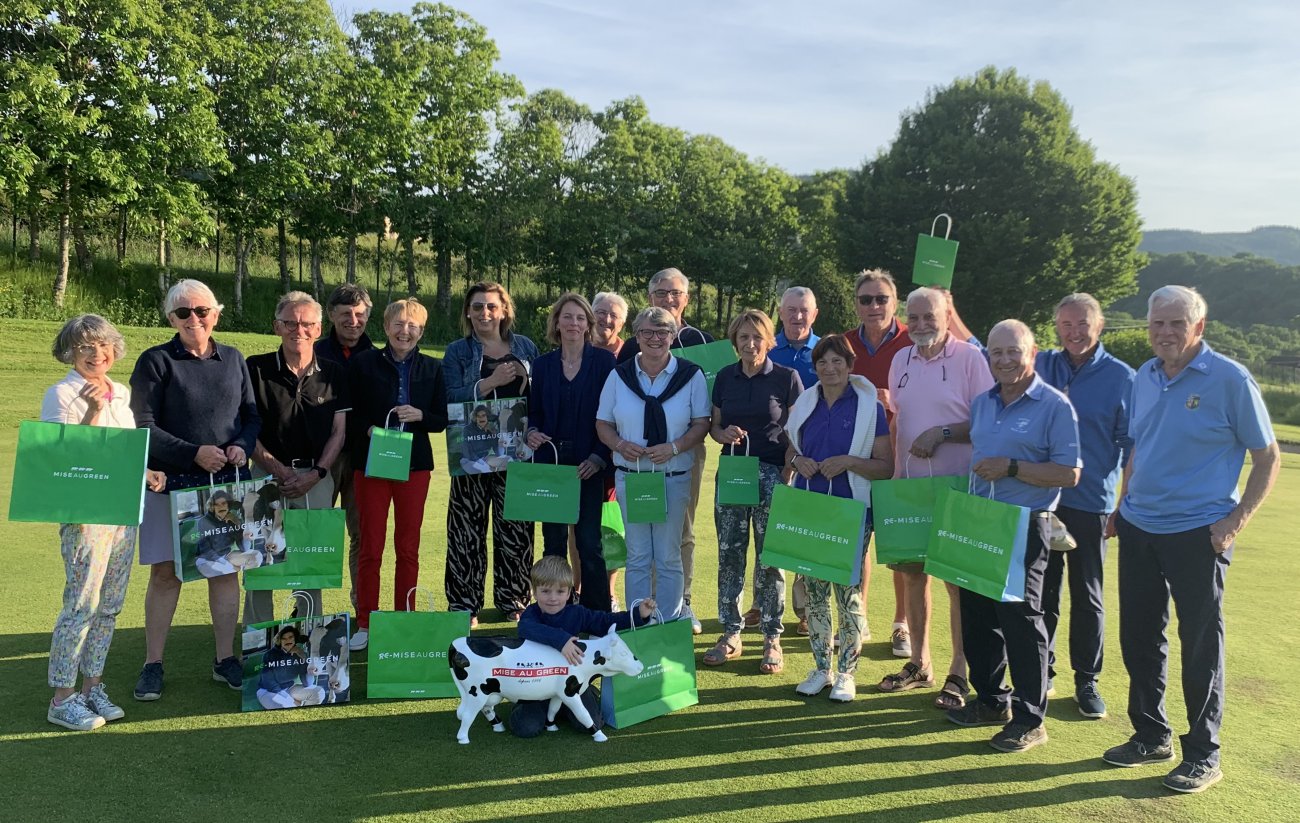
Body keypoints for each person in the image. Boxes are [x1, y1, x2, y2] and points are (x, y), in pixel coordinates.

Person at [1103, 286, 1279, 793]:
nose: (1165, 332)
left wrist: (1235, 521)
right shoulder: (1145, 374)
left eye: (1176, 323)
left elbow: (1268, 458)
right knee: (1139, 636)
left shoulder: (1230, 379)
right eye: (1157, 323)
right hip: (1139, 525)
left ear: (1198, 326)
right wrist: (1122, 506)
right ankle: (1149, 735)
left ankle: (1203, 753)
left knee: (1199, 643)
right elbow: (1141, 446)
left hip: (1198, 533)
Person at [949, 320, 1080, 754]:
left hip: (1025, 525)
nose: (1004, 360)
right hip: (981, 520)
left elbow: (1069, 473)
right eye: (996, 352)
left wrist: (1011, 467)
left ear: (1033, 353)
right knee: (977, 616)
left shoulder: (1055, 405)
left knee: (1021, 623)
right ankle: (990, 701)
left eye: (1013, 351)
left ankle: (1029, 718)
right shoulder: (984, 401)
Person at [130, 279, 261, 701]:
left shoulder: (234, 359)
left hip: (224, 487)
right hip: (170, 484)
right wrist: (193, 454)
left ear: (216, 314)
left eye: (201, 311)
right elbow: (144, 425)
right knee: (166, 574)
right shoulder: (156, 361)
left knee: (224, 573)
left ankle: (225, 659)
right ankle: (153, 664)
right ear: (171, 318)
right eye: (183, 313)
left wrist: (241, 446)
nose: (194, 319)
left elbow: (251, 416)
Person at [42, 315, 166, 730]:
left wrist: (144, 472)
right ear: (69, 353)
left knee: (110, 606)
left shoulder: (122, 391)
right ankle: (62, 697)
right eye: (85, 348)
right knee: (82, 604)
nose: (97, 354)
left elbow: (121, 452)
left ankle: (92, 686)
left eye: (103, 346)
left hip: (122, 509)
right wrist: (92, 410)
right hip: (85, 513)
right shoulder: (60, 394)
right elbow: (69, 459)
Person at [877, 288, 993, 713]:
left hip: (958, 489)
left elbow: (986, 419)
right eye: (915, 317)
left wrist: (943, 434)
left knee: (957, 583)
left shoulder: (969, 359)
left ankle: (959, 671)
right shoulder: (901, 360)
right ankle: (918, 663)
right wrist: (894, 477)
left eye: (930, 316)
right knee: (913, 576)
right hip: (910, 490)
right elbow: (899, 422)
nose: (922, 324)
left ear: (947, 316)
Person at [1034, 293, 1134, 719]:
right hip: (1042, 499)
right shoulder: (1043, 365)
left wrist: (1122, 505)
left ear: (1100, 324)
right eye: (1066, 324)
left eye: (1083, 324)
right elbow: (988, 354)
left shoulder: (1123, 377)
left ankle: (1086, 680)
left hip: (1092, 502)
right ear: (1057, 326)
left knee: (1088, 594)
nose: (1075, 332)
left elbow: (1132, 447)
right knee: (1043, 591)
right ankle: (1044, 670)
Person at [786, 334, 893, 702]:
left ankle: (847, 672)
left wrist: (848, 462)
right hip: (810, 509)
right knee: (814, 592)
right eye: (822, 363)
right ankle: (821, 668)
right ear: (814, 368)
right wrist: (798, 461)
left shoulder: (869, 406)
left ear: (850, 366)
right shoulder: (805, 403)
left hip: (851, 511)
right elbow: (791, 451)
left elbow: (885, 466)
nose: (830, 369)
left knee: (847, 593)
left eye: (837, 362)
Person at [596, 307, 710, 624]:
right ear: (637, 335)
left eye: (662, 332)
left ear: (673, 336)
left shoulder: (691, 375)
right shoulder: (619, 376)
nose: (654, 338)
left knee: (668, 556)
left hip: (672, 478)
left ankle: (669, 623)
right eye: (647, 332)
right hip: (632, 479)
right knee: (638, 557)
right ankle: (639, 623)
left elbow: (701, 424)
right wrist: (619, 444)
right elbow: (602, 423)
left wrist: (673, 447)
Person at [347, 297, 449, 651]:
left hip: (414, 466)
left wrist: (421, 416)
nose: (405, 332)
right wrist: (370, 430)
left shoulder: (433, 369)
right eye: (399, 325)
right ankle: (367, 621)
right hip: (373, 464)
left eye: (413, 326)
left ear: (421, 331)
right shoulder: (363, 364)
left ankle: (404, 617)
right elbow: (350, 415)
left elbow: (442, 419)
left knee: (408, 547)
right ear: (386, 327)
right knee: (370, 546)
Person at [705, 309, 802, 674]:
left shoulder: (786, 378)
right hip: (733, 473)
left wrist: (790, 467)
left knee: (770, 558)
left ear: (769, 340)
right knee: (730, 554)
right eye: (743, 338)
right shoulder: (725, 378)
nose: (750, 344)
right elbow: (713, 427)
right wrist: (722, 433)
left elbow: (798, 430)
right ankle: (731, 632)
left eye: (756, 337)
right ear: (735, 341)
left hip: (772, 474)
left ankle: (771, 637)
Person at [244, 291, 350, 624]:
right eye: (290, 322)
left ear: (319, 329)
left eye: (306, 323)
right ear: (277, 326)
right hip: (264, 478)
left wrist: (316, 474)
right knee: (259, 561)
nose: (298, 329)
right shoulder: (255, 368)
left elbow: (339, 433)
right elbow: (248, 430)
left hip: (316, 480)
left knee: (310, 564)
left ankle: (308, 636)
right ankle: (257, 640)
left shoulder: (334, 373)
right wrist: (276, 469)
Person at [442, 282, 540, 625]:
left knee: (516, 528)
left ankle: (513, 597)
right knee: (465, 529)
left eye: (491, 306)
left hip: (515, 455)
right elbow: (449, 400)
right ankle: (464, 604)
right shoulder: (457, 351)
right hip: (471, 453)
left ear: (504, 310)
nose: (485, 313)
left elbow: (537, 398)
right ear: (468, 312)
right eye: (478, 306)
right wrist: (491, 381)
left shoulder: (526, 347)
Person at [526, 293, 617, 611]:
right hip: (552, 468)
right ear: (557, 322)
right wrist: (532, 431)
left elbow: (612, 415)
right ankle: (555, 611)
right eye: (567, 317)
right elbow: (534, 412)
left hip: (589, 466)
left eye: (580, 318)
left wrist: (598, 457)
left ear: (588, 324)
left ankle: (596, 613)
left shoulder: (605, 363)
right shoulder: (543, 364)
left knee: (589, 542)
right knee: (552, 544)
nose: (573, 323)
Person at [508, 556, 657, 737]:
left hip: (574, 682)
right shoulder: (530, 616)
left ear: (570, 591)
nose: (553, 598)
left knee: (593, 723)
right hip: (539, 685)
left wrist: (638, 614)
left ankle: (581, 697)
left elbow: (606, 621)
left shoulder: (576, 613)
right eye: (545, 591)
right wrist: (561, 641)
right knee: (527, 728)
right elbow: (526, 628)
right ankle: (522, 703)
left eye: (560, 591)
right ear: (534, 591)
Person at [842, 269, 911, 655]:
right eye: (865, 299)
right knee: (857, 543)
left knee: (900, 545)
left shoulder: (910, 342)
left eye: (881, 299)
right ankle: (859, 617)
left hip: (903, 460)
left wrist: (893, 401)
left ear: (894, 302)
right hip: (859, 459)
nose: (873, 306)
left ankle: (901, 624)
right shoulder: (845, 344)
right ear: (856, 303)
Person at [314, 284, 374, 608]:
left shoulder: (379, 356)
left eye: (360, 314)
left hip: (365, 459)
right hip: (323, 457)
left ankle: (361, 606)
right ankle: (309, 607)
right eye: (346, 314)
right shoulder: (316, 352)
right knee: (317, 535)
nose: (354, 320)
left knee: (362, 537)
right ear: (332, 315)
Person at [765, 286, 820, 632]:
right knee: (772, 528)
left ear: (814, 314)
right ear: (780, 313)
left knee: (808, 530)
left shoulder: (824, 351)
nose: (797, 316)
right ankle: (766, 601)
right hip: (772, 453)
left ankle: (806, 607)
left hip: (814, 454)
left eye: (803, 310)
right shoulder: (769, 348)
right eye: (790, 309)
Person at [591, 291, 629, 605]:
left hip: (617, 451)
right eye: (600, 312)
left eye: (613, 314)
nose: (605, 319)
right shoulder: (574, 348)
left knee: (611, 525)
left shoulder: (629, 353)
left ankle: (609, 591)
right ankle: (577, 588)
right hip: (579, 449)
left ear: (623, 322)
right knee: (578, 526)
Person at [256, 625, 324, 709]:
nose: (287, 640)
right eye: (284, 639)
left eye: (290, 637)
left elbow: (308, 683)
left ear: (295, 639)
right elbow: (269, 682)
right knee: (284, 706)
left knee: (319, 692)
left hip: (290, 688)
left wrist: (304, 658)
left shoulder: (298, 654)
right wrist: (289, 699)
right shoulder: (269, 655)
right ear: (280, 641)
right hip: (268, 691)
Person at [592, 291, 628, 358]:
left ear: (621, 325)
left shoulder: (628, 354)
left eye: (613, 315)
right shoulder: (578, 349)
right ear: (591, 316)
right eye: (602, 312)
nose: (607, 320)